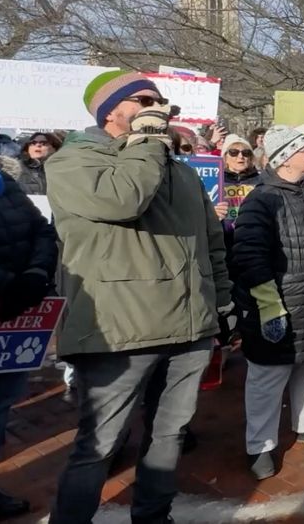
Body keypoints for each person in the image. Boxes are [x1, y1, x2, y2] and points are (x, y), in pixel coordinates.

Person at [47, 70, 232, 524]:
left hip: (189, 327)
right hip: (120, 331)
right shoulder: (73, 161)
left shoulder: (180, 172)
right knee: (100, 445)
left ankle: (153, 516)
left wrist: (222, 304)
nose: (158, 109)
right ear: (111, 111)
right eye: (145, 100)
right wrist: (148, 141)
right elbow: (122, 200)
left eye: (160, 101)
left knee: (169, 435)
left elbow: (211, 244)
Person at [232, 125, 304, 480]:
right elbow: (249, 256)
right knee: (268, 379)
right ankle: (260, 444)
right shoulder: (261, 200)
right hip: (279, 305)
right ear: (284, 158)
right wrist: (269, 305)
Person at [0, 111, 57, 519]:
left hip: (14, 320)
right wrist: (6, 286)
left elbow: (42, 230)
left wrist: (35, 275)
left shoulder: (1, 180)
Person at [221, 133, 262, 237]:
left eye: (246, 153)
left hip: (253, 237)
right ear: (225, 157)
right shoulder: (218, 180)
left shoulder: (261, 181)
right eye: (233, 152)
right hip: (223, 237)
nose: (241, 156)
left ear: (251, 158)